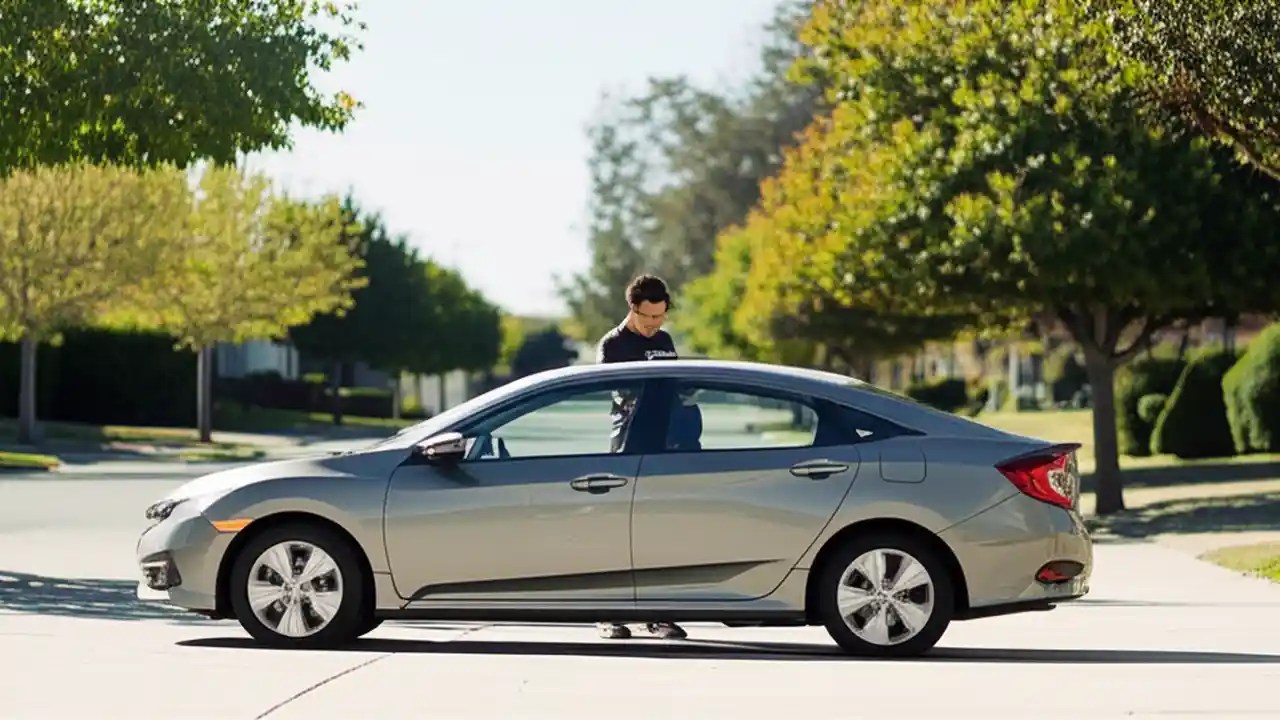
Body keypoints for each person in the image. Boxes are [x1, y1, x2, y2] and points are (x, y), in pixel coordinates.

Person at [594, 274, 688, 641]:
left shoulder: (664, 340)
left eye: (661, 317)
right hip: (628, 448)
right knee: (618, 531)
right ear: (633, 309)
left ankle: (658, 614)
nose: (655, 325)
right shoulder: (613, 345)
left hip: (665, 447)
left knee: (660, 530)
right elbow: (614, 392)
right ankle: (608, 613)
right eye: (649, 318)